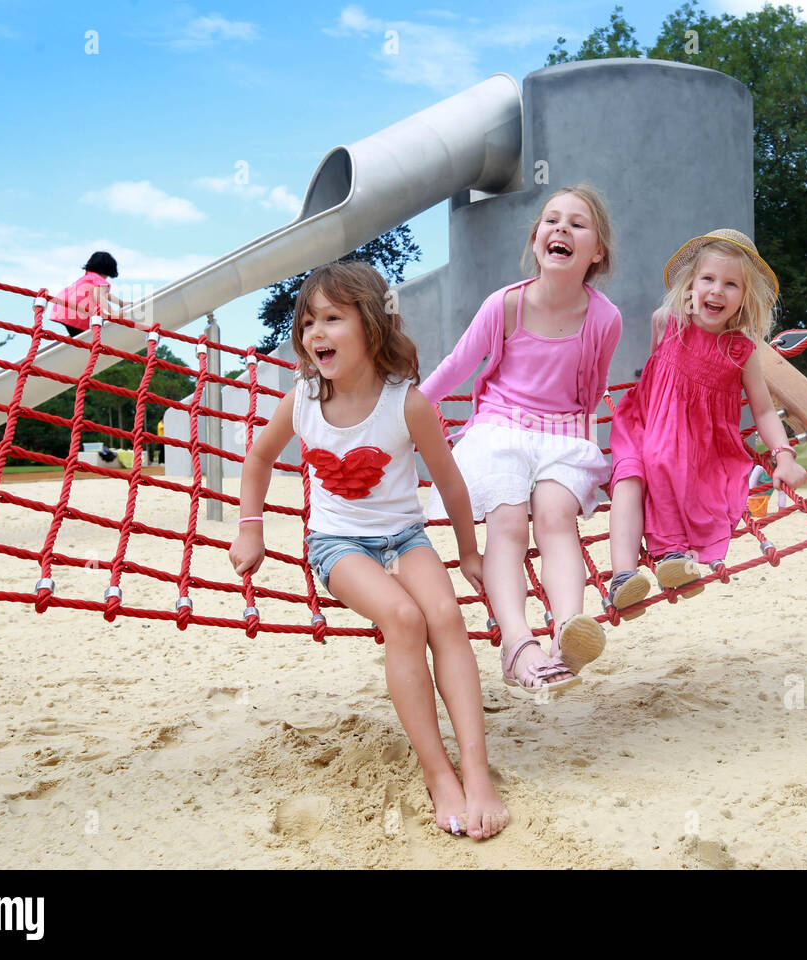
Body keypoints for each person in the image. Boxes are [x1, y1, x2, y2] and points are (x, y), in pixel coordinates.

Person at [229, 260, 507, 840]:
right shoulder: (303, 398)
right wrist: (250, 527)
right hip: (337, 544)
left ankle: (477, 772)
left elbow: (451, 485)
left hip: (406, 538)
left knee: (447, 618)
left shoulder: (406, 403)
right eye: (307, 323)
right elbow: (257, 458)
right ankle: (440, 776)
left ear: (373, 326)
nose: (315, 333)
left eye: (332, 318)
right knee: (404, 620)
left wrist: (469, 553)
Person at [420, 185, 621, 698]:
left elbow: (592, 388)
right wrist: (406, 416)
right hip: (499, 429)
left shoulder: (604, 318)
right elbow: (456, 368)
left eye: (578, 224)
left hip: (562, 434)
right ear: (536, 240)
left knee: (555, 517)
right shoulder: (505, 305)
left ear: (596, 251)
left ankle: (569, 631)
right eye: (551, 221)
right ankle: (516, 643)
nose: (561, 229)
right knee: (508, 521)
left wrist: (576, 436)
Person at [605, 229, 807, 619]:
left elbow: (764, 411)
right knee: (632, 476)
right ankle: (623, 577)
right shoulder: (666, 322)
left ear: (744, 297)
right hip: (643, 425)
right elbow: (654, 381)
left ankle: (673, 557)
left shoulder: (741, 351)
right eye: (708, 279)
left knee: (672, 464)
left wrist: (783, 455)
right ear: (691, 285)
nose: (717, 291)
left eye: (731, 284)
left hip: (700, 446)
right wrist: (658, 434)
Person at [48, 251, 135, 336]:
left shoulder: (88, 277)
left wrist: (121, 303)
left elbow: (105, 295)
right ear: (108, 270)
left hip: (61, 307)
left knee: (78, 336)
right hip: (73, 312)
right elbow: (100, 296)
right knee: (86, 340)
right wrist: (113, 313)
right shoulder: (99, 280)